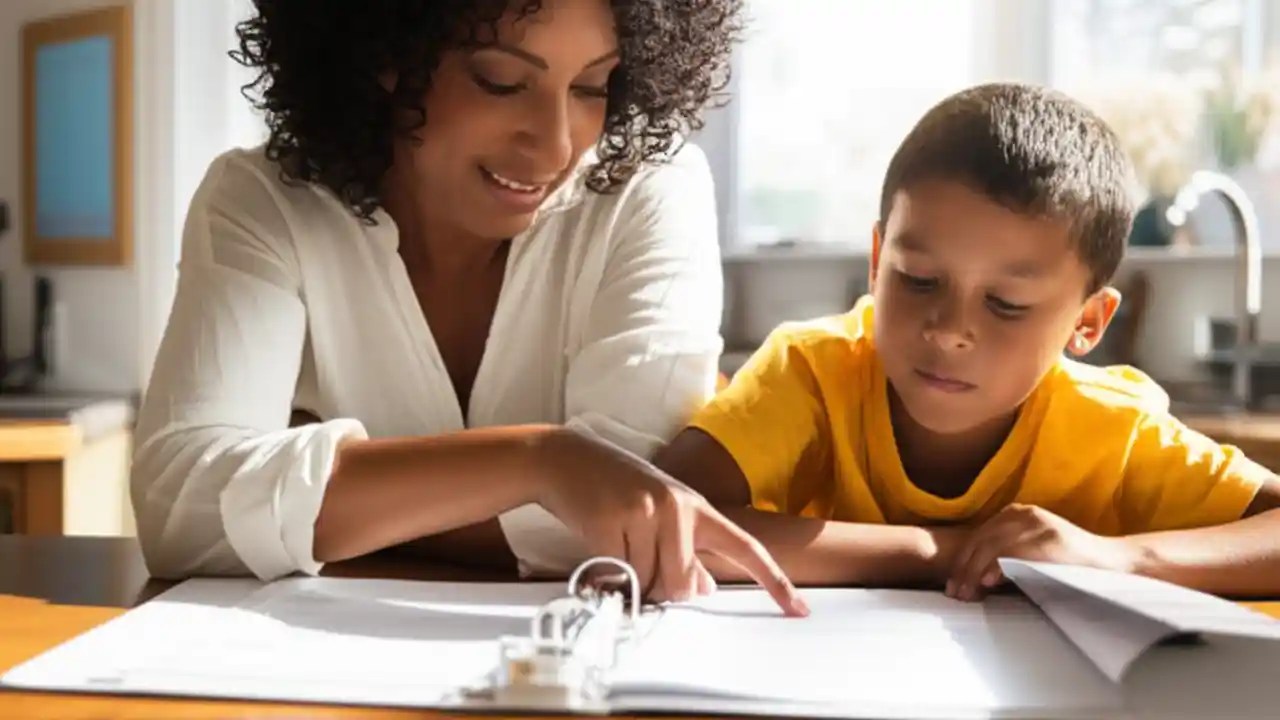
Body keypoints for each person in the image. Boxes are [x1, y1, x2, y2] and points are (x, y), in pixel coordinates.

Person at [132, 0, 805, 616]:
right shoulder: (263, 202)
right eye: (501, 81)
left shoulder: (651, 192)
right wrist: (542, 462)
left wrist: (322, 506)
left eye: (592, 87)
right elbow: (179, 507)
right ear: (387, 57)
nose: (556, 145)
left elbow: (641, 512)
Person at [655, 82, 1280, 601]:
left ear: (1087, 322)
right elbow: (664, 513)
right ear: (877, 261)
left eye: (1006, 304)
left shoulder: (1111, 431)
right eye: (919, 280)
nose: (949, 330)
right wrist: (945, 551)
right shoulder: (812, 375)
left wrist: (1122, 559)